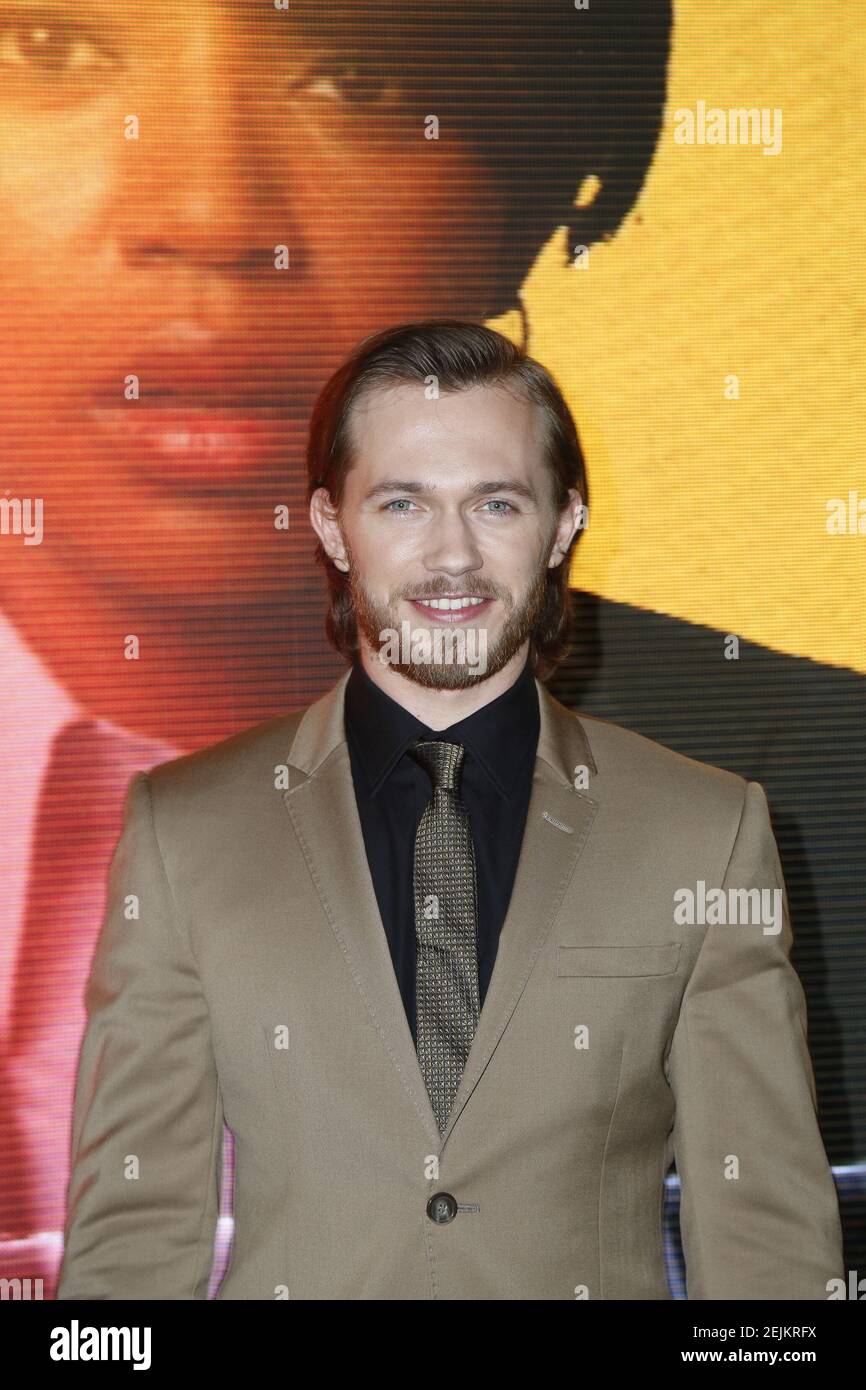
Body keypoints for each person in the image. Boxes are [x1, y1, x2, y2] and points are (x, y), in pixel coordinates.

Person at [0, 0, 673, 1264]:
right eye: (52, 51)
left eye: (356, 78)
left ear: (555, 181)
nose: (209, 217)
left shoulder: (749, 806)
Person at [57, 321, 843, 1300]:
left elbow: (765, 1239)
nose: (452, 555)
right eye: (402, 503)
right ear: (331, 525)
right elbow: (131, 1241)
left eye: (496, 503)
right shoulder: (187, 830)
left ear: (562, 524)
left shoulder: (704, 832)